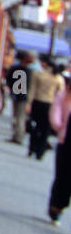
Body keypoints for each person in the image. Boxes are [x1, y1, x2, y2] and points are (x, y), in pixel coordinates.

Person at [28, 54, 65, 161]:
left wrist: (28, 103)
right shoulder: (58, 77)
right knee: (45, 130)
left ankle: (32, 148)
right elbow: (60, 94)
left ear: (44, 63)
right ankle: (40, 151)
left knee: (35, 126)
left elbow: (32, 89)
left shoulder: (38, 74)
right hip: (50, 104)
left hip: (37, 102)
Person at [49, 79, 71, 222]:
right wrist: (58, 126)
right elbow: (55, 110)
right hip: (66, 141)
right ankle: (56, 206)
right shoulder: (65, 94)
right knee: (62, 176)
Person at [7, 50, 33, 143]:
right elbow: (30, 85)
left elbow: (9, 80)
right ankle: (19, 135)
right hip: (24, 96)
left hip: (15, 93)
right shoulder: (29, 71)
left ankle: (16, 135)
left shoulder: (14, 68)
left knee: (16, 116)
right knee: (21, 117)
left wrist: (11, 89)